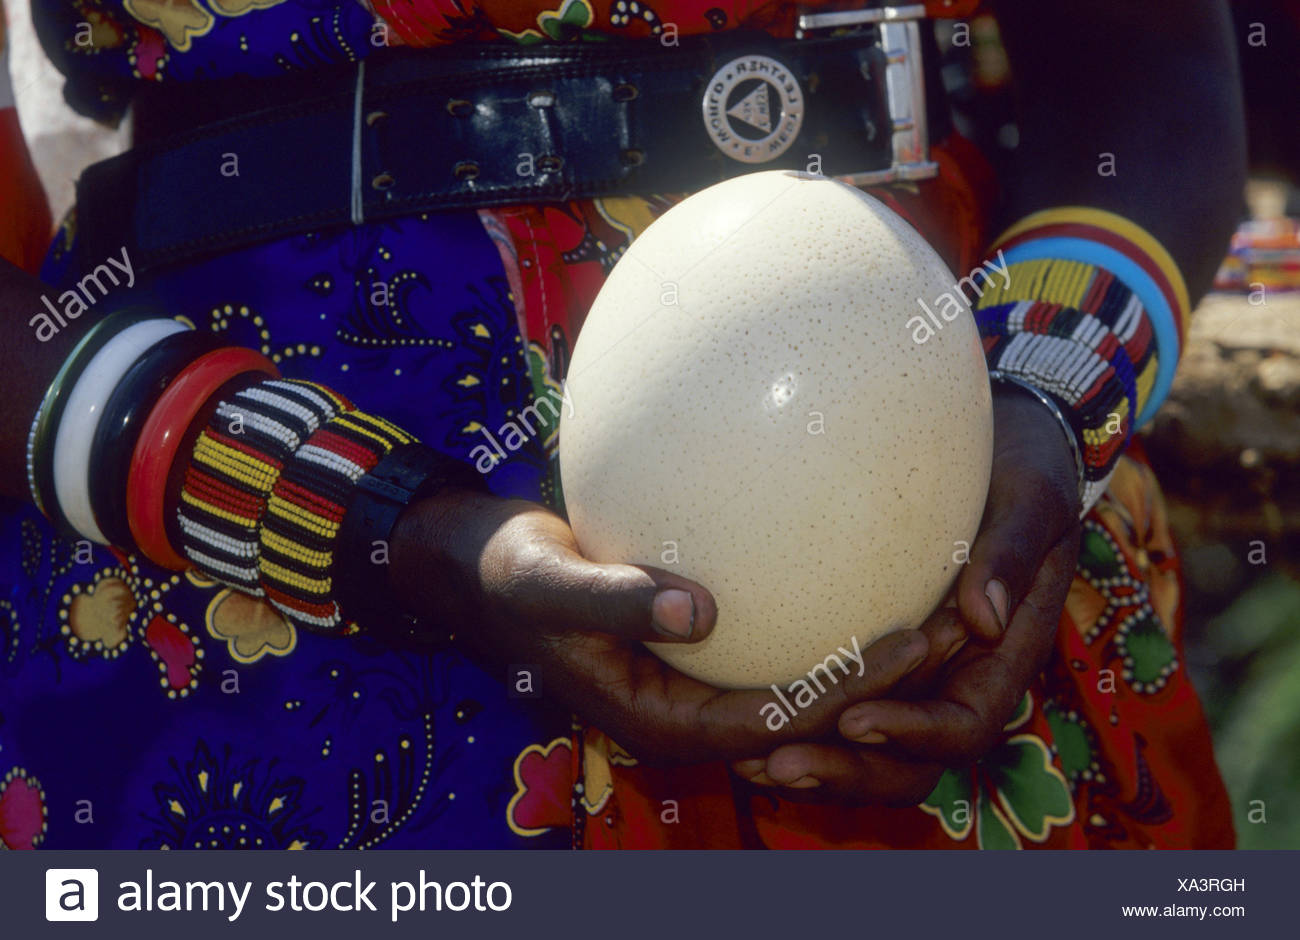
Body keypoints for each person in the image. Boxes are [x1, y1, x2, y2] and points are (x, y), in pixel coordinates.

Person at [0, 0, 1244, 851]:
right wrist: (371, 522)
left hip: (948, 588)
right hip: (253, 611)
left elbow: (1153, 87)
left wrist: (1036, 411)